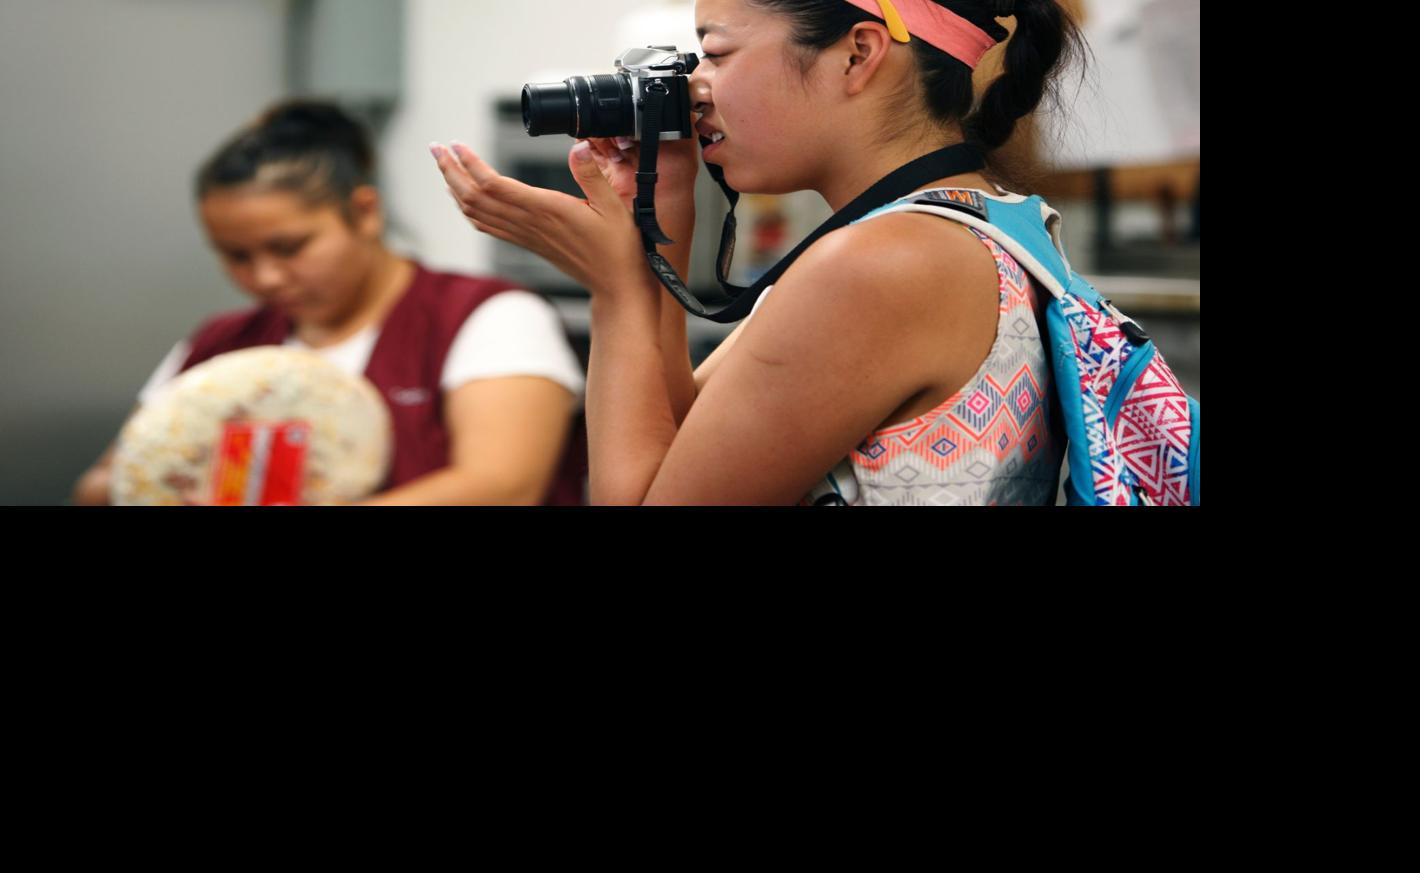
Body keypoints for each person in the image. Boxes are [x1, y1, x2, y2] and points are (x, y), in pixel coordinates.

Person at [433, 0, 1083, 504]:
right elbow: (693, 446)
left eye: (715, 53)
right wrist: (663, 217)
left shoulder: (879, 266)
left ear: (858, 55)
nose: (694, 87)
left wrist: (620, 288)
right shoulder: (991, 216)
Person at [74, 101, 588, 505]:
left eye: (289, 247)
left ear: (364, 212)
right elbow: (102, 482)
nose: (265, 277)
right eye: (236, 256)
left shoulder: (486, 317)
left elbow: (502, 488)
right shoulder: (221, 344)